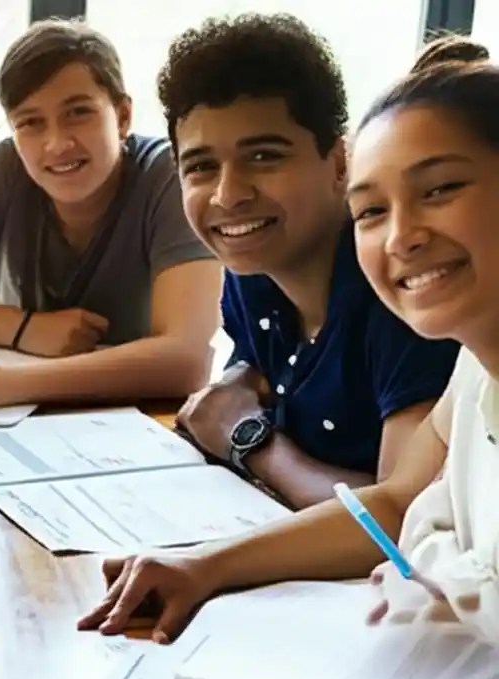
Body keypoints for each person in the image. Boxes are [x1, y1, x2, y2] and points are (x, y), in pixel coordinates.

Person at [77, 29, 496, 646]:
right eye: (373, 211)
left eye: (439, 190)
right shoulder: (473, 367)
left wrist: (249, 441)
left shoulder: (422, 321)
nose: (402, 236)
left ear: (335, 161)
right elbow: (395, 508)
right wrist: (205, 566)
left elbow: (395, 505)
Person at [154, 13, 458, 511]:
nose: (229, 196)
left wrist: (250, 442)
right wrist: (238, 385)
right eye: (202, 167)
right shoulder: (254, 268)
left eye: (263, 157)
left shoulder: (403, 284)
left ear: (341, 163)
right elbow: (253, 378)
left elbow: (405, 519)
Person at [0, 19, 221, 410]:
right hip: (10, 417)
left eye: (78, 113)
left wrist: (9, 383)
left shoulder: (167, 177)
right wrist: (23, 328)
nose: (56, 144)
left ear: (121, 117)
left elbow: (186, 361)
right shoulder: (7, 170)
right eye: (30, 123)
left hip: (130, 417)